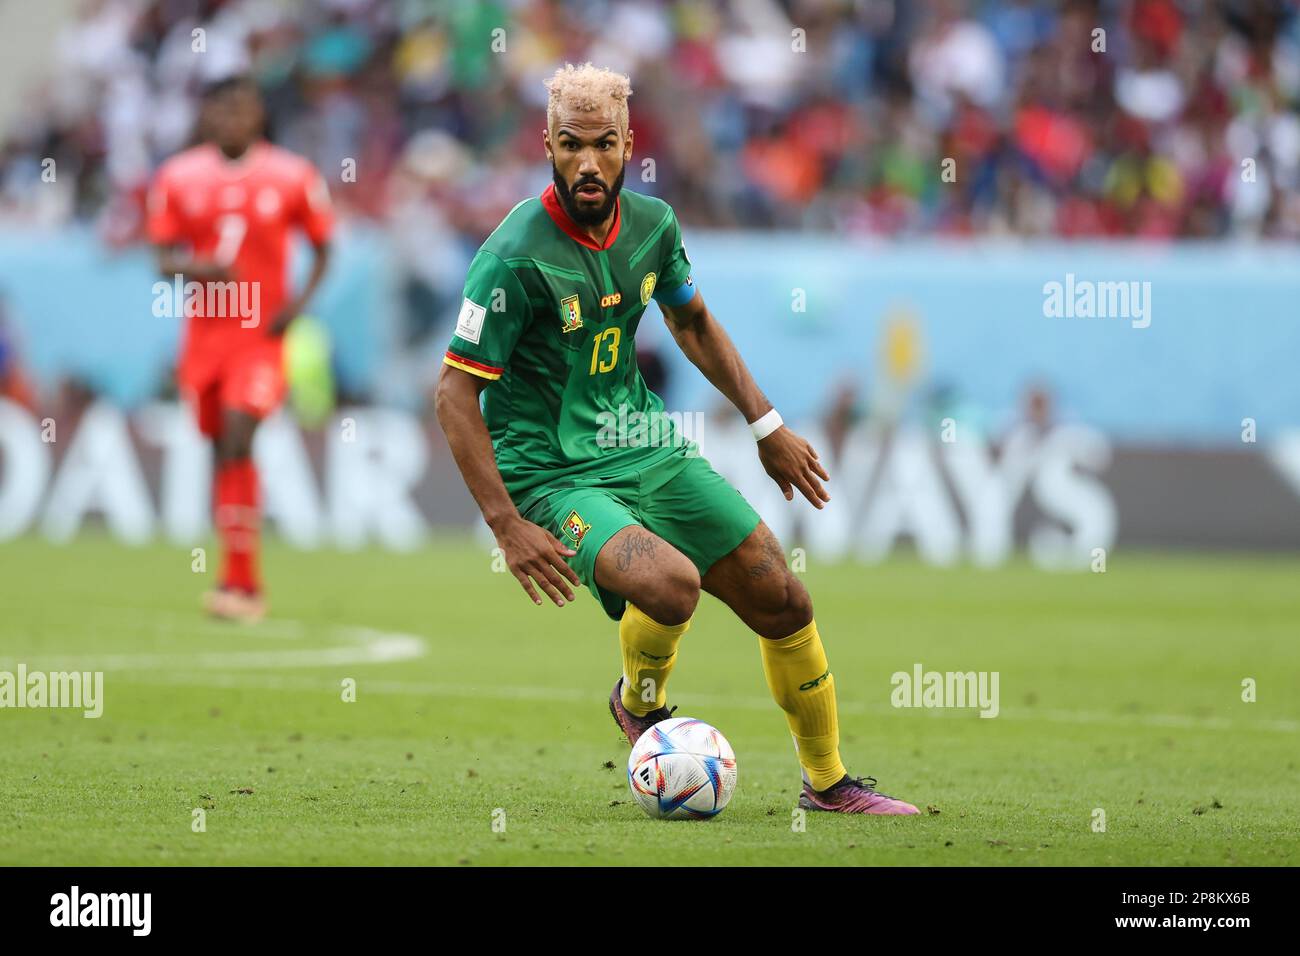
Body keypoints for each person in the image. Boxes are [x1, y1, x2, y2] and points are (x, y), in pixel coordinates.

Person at [435, 63, 917, 815]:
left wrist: (767, 426)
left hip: (644, 446)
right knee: (670, 585)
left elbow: (691, 322)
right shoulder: (511, 256)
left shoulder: (655, 228)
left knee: (783, 597)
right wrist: (506, 523)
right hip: (554, 474)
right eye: (570, 145)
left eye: (602, 144)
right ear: (547, 145)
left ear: (630, 142)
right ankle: (642, 705)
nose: (587, 163)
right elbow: (454, 393)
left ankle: (828, 784)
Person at [147, 76, 333, 621]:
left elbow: (324, 247)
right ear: (209, 117)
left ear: (257, 116)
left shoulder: (292, 174)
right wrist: (202, 268)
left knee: (237, 433)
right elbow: (161, 258)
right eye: (222, 110)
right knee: (219, 449)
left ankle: (244, 587)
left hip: (259, 339)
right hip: (204, 338)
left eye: (243, 109)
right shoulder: (179, 176)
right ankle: (235, 575)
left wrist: (296, 307)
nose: (233, 120)